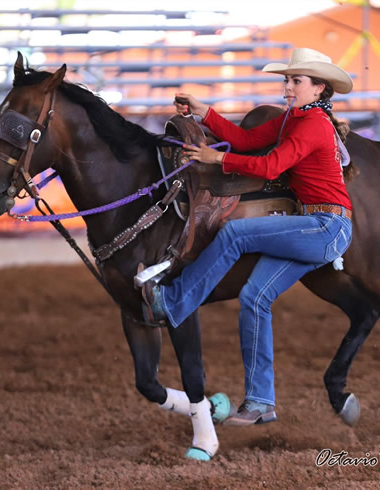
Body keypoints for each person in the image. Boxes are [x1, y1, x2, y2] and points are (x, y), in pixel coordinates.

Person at [139, 47, 354, 426]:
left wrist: (215, 159)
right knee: (255, 298)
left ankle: (172, 303)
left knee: (236, 233)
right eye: (286, 80)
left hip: (326, 227)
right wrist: (205, 112)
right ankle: (260, 403)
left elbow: (270, 164)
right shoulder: (294, 120)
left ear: (319, 89)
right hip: (317, 226)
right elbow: (242, 139)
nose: (287, 88)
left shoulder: (313, 125)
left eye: (296, 81)